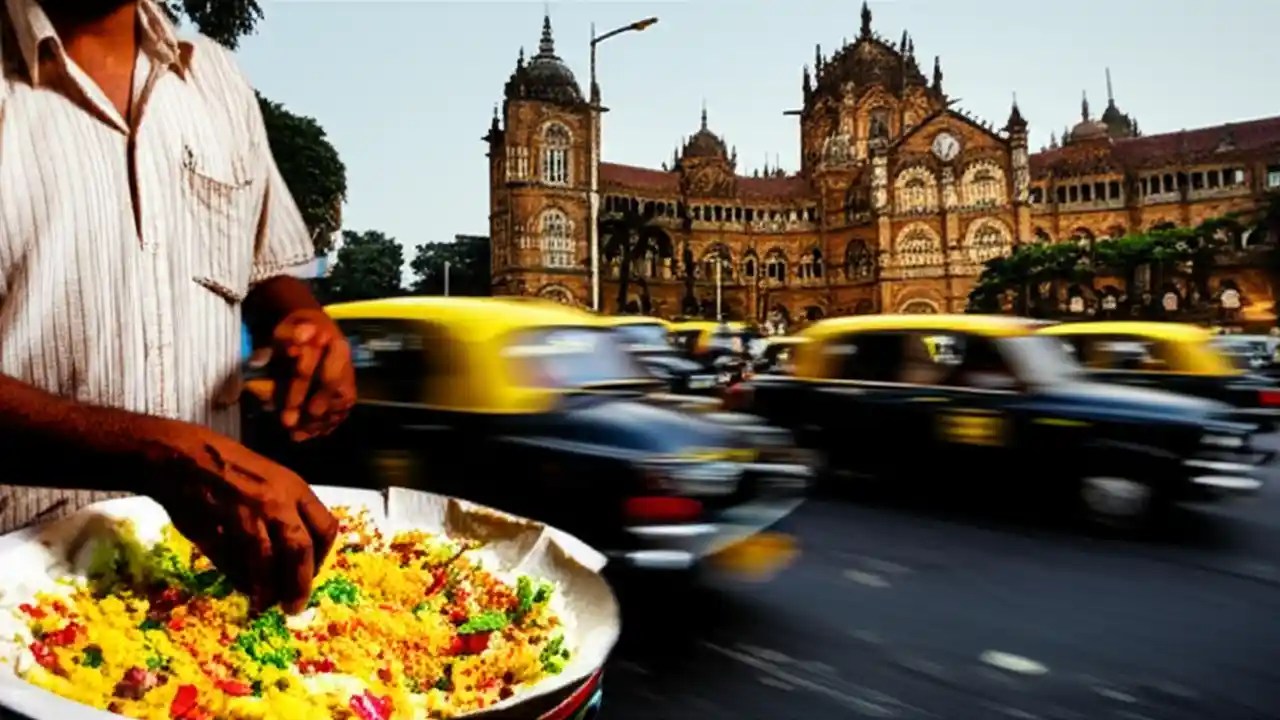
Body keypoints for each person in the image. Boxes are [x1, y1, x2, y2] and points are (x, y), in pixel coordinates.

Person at [0, 0, 356, 614]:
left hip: (203, 591)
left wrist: (309, 327)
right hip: (21, 591)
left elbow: (268, 267)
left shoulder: (214, 78)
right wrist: (164, 457)